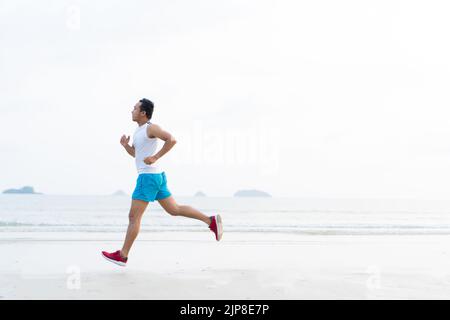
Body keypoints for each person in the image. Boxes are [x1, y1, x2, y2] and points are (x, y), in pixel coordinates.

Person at [102, 98, 223, 267]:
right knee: (174, 209)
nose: (132, 110)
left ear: (143, 113)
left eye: (135, 108)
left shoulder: (151, 128)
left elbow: (171, 140)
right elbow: (136, 155)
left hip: (148, 178)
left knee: (133, 217)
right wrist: (125, 146)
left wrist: (156, 157)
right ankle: (210, 221)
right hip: (156, 176)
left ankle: (123, 255)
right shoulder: (138, 131)